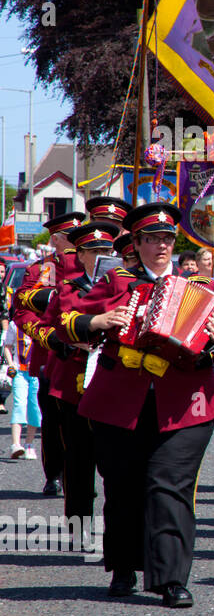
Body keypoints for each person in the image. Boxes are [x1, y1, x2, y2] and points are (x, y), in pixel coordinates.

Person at [64, 202, 214, 607]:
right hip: (119, 402)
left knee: (168, 485)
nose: (160, 245)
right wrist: (98, 322)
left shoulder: (203, 288)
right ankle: (124, 566)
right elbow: (68, 324)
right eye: (152, 239)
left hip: (185, 405)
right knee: (122, 486)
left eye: (167, 239)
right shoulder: (113, 284)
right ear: (136, 244)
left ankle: (171, 578)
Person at [32, 221, 120, 531]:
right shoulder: (67, 288)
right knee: (79, 458)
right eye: (93, 251)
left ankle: (118, 527)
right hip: (74, 381)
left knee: (117, 463)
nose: (100, 256)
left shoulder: (124, 286)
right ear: (79, 255)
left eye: (106, 250)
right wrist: (65, 340)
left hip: (114, 382)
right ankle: (80, 524)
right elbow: (45, 327)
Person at [12, 210, 83, 496]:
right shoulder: (41, 270)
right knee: (53, 422)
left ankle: (80, 473)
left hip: (87, 354)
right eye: (69, 237)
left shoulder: (92, 266)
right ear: (55, 240)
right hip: (51, 357)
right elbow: (22, 311)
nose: (75, 242)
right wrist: (47, 336)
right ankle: (54, 473)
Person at [3, 315, 39, 460]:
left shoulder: (42, 322)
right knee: (19, 404)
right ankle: (16, 444)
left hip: (36, 372)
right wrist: (11, 364)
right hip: (20, 371)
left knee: (34, 406)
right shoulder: (14, 324)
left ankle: (29, 444)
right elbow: (7, 346)